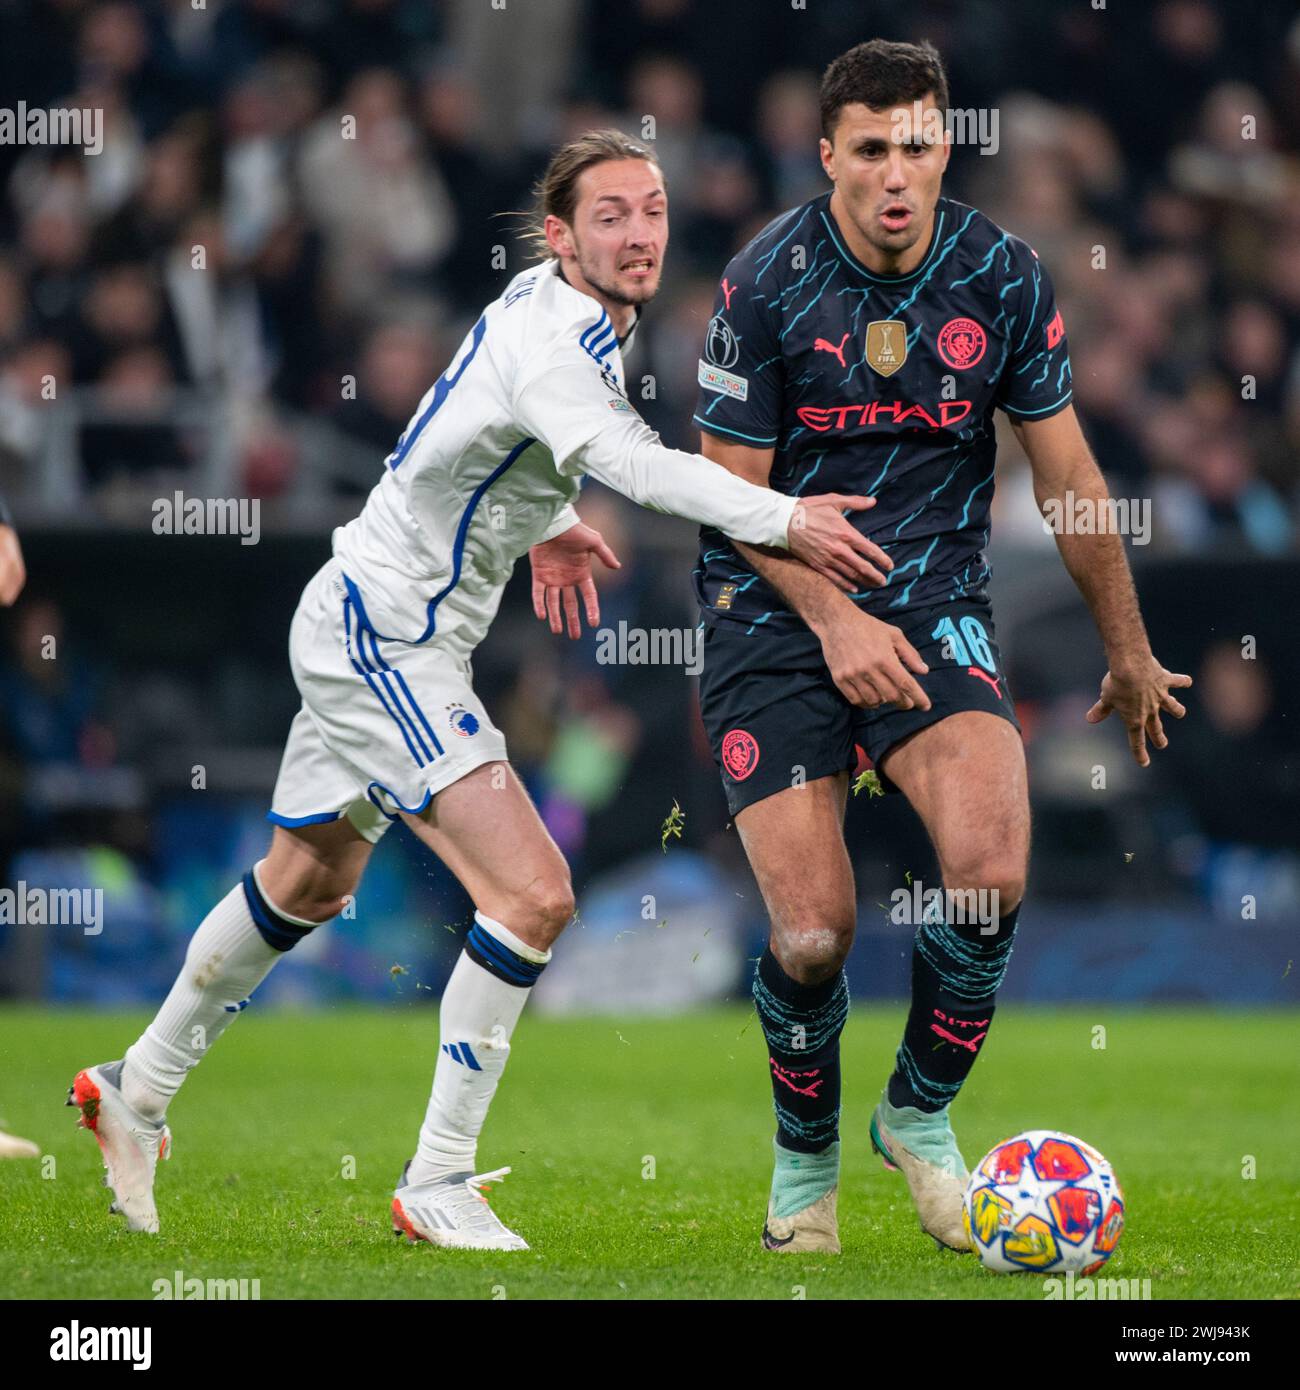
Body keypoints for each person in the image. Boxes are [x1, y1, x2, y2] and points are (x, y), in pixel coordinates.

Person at [68, 129, 886, 1250]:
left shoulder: (554, 306)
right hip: (385, 632)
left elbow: (463, 424)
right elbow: (637, 466)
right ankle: (438, 1179)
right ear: (560, 236)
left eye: (650, 209)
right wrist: (787, 514)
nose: (639, 231)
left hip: (382, 619)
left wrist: (543, 519)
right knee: (534, 893)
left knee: (303, 883)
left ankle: (136, 1086)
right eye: (609, 215)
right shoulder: (560, 336)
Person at [668, 40, 1191, 1254]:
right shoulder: (765, 280)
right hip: (770, 608)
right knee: (811, 934)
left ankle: (917, 1112)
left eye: (916, 145)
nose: (895, 174)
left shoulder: (1002, 273)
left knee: (991, 871)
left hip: (934, 600)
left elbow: (1066, 474)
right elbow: (723, 492)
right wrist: (833, 617)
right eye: (869, 150)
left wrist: (1127, 646)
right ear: (827, 157)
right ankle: (805, 1168)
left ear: (945, 145)